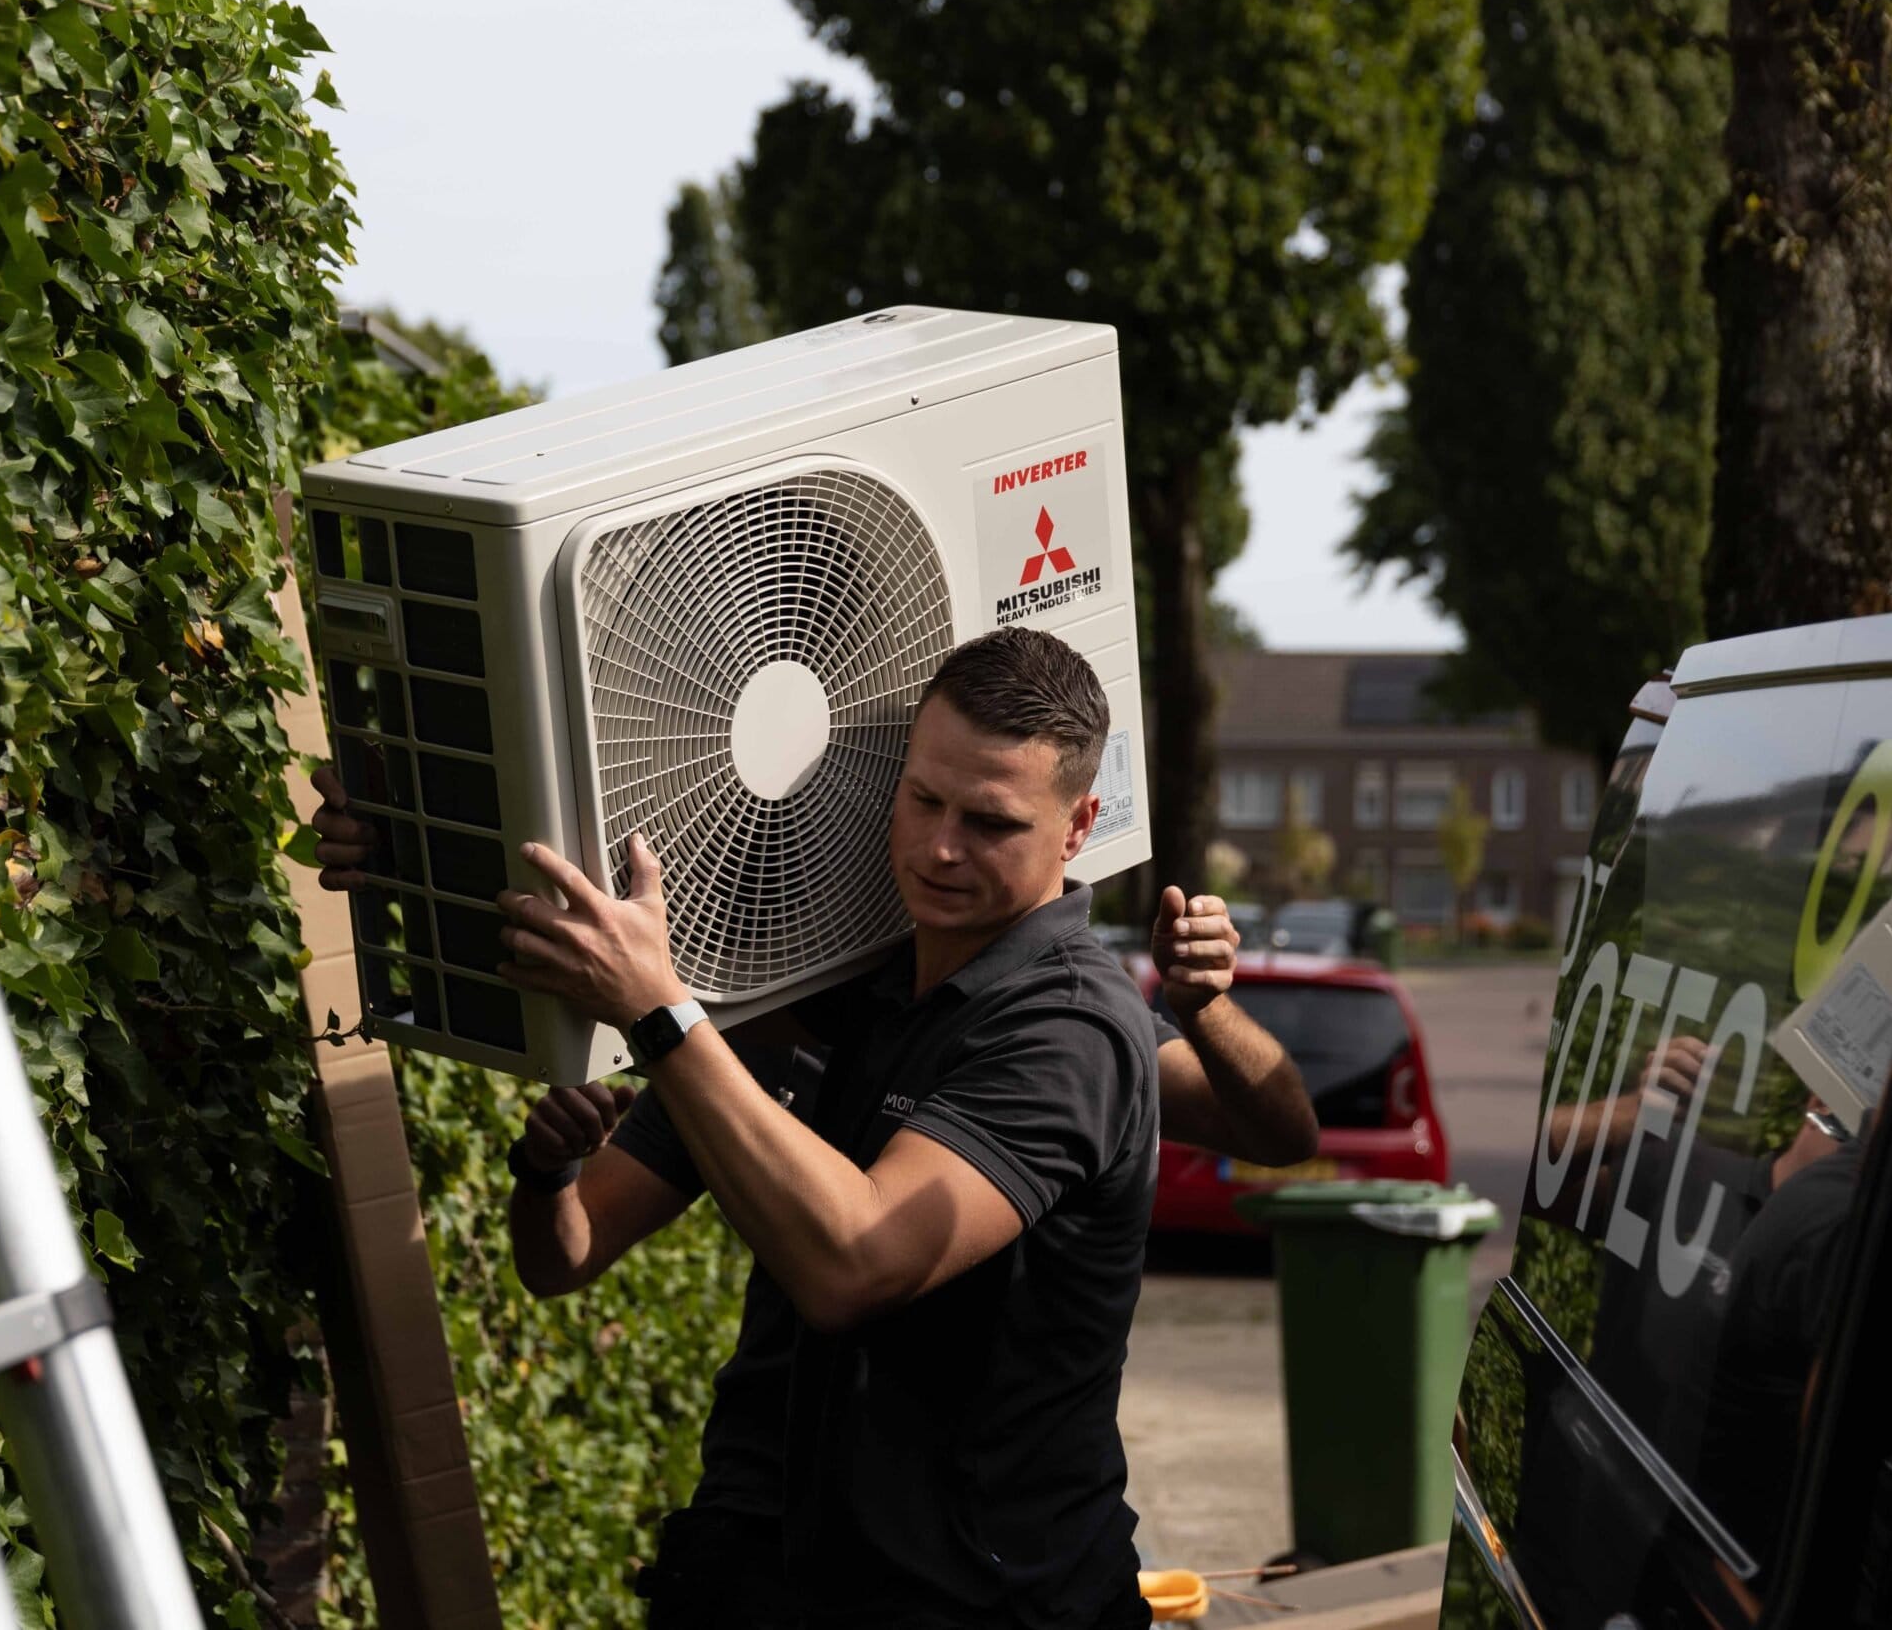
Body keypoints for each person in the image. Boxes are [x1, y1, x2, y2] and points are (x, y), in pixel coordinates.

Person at [310, 632, 1319, 1629]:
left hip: (980, 1599)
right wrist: (412, 853)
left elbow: (855, 1260)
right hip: (763, 1572)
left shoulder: (1068, 1032)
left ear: (1077, 826)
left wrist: (660, 1012)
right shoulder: (841, 980)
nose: (938, 848)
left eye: (991, 822)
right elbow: (565, 1249)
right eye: (922, 800)